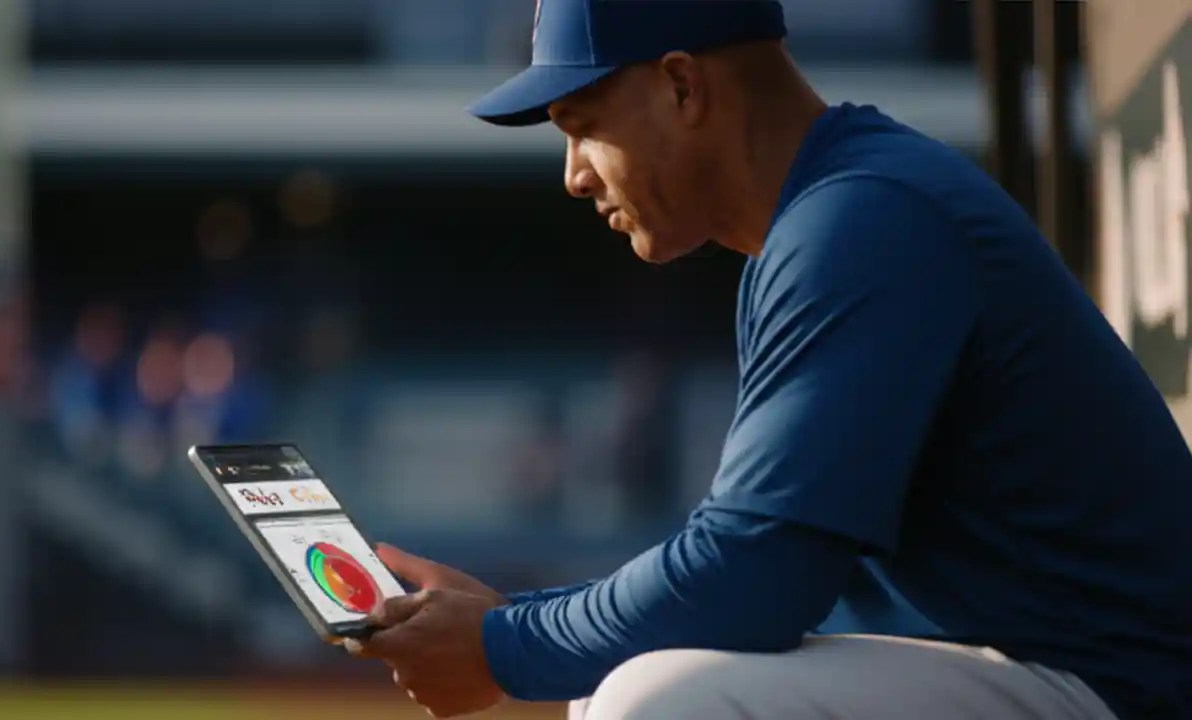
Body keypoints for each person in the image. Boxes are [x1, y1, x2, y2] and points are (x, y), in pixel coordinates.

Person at [345, 2, 1192, 718]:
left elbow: (753, 581)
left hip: (1120, 688)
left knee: (665, 703)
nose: (573, 176)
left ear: (682, 85)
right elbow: (753, 566)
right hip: (1051, 670)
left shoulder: (861, 220)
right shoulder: (838, 213)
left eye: (584, 126)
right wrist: (507, 622)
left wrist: (502, 643)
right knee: (634, 687)